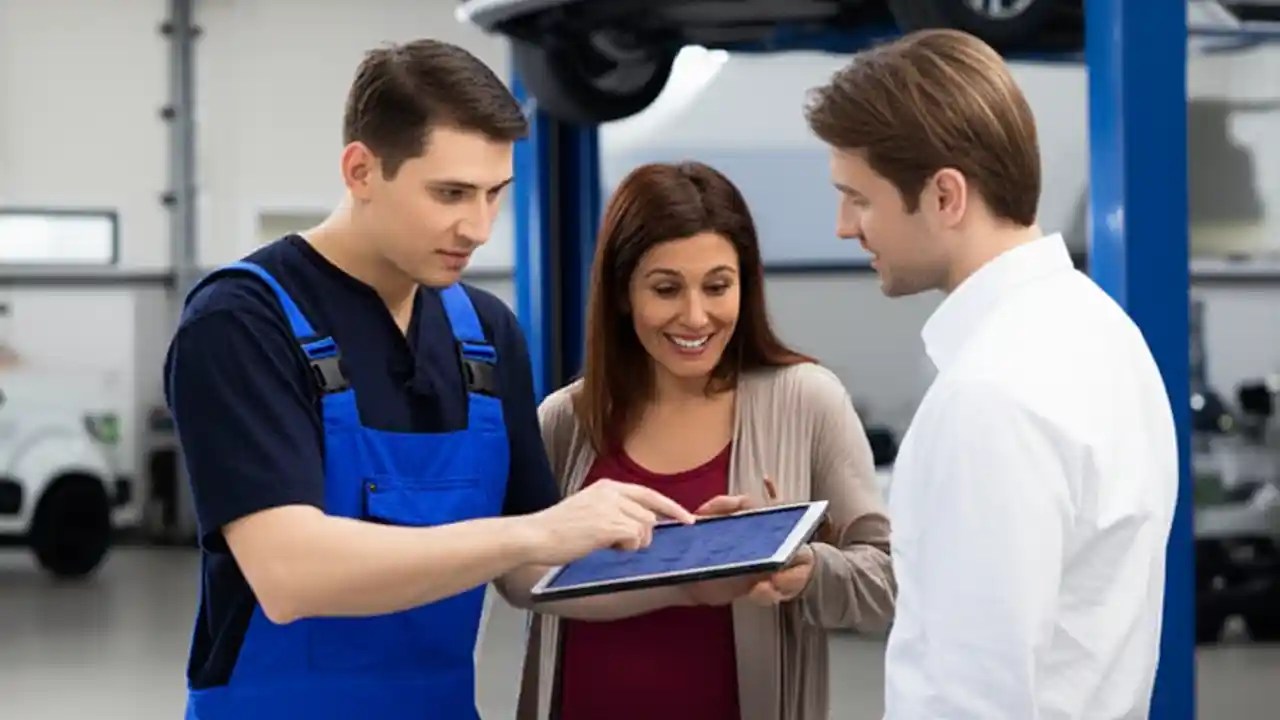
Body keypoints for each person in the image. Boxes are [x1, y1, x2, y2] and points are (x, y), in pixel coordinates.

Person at [164, 39, 698, 720]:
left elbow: (531, 574)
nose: (478, 228)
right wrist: (536, 532)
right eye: (450, 193)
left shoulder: (486, 335)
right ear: (361, 170)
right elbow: (290, 574)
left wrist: (693, 574)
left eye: (494, 194)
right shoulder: (241, 323)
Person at [803, 28, 1180, 719]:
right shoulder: (1105, 334)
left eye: (859, 198)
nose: (842, 226)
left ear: (945, 196)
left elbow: (971, 696)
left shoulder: (987, 397)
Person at [516, 161, 897, 720]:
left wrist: (807, 569)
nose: (695, 317)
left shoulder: (807, 401)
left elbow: (887, 581)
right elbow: (518, 576)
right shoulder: (564, 422)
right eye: (666, 289)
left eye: (717, 286)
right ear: (622, 293)